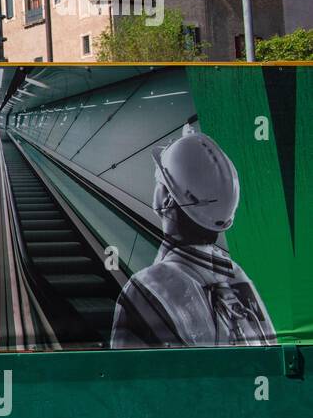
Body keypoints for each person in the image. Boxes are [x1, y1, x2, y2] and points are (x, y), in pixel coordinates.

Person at [111, 131, 276, 348]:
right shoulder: (238, 276)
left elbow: (123, 378)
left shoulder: (145, 289)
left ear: (167, 201)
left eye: (158, 181)